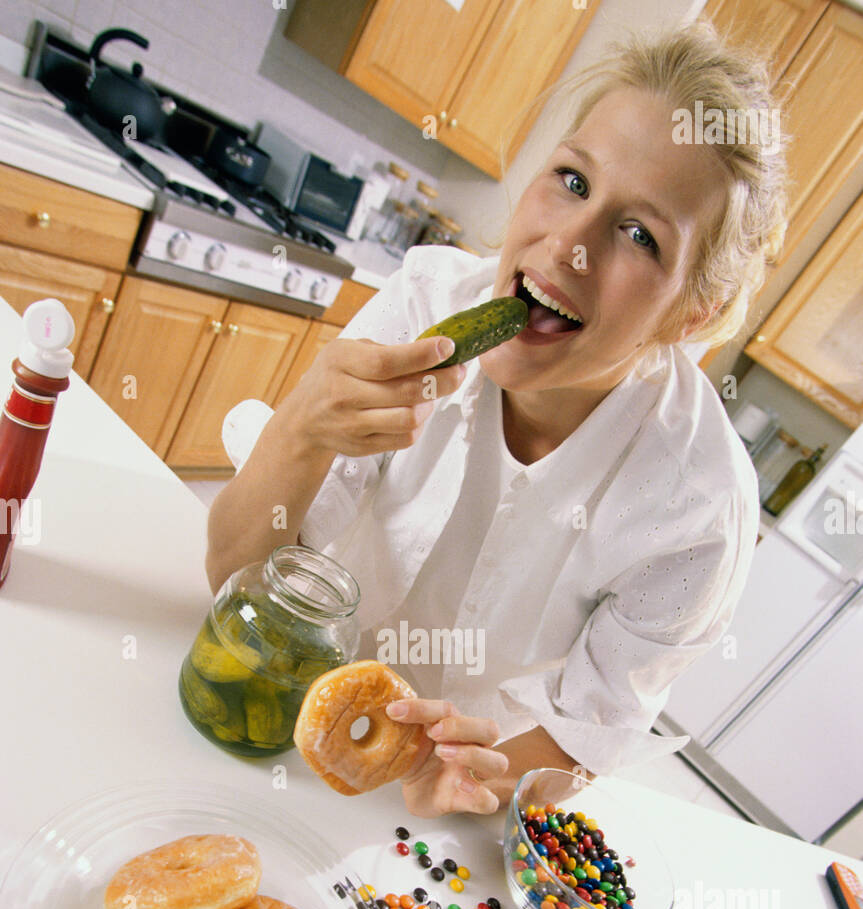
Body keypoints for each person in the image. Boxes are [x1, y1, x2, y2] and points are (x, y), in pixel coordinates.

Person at [206, 22, 788, 818]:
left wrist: (473, 774)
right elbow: (234, 577)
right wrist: (301, 427)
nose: (569, 247)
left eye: (639, 235)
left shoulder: (698, 511)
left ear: (693, 314)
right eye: (573, 182)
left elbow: (590, 725)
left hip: (450, 811)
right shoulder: (425, 303)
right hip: (286, 703)